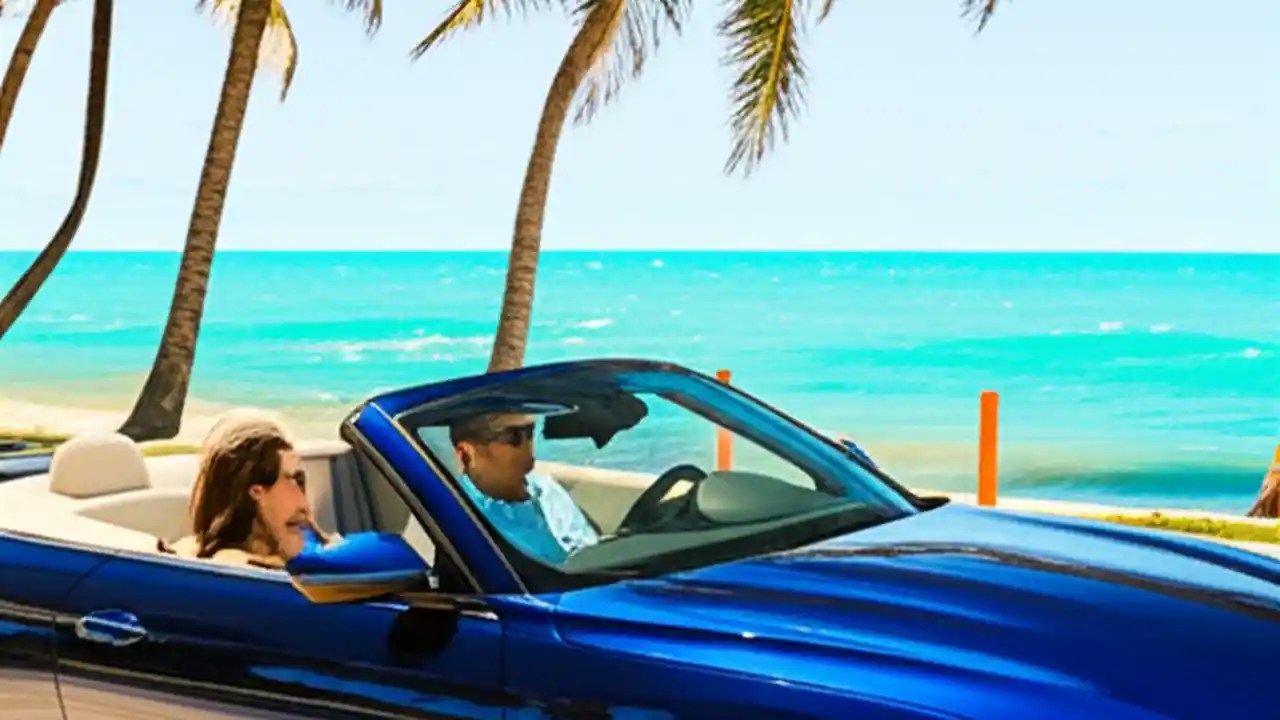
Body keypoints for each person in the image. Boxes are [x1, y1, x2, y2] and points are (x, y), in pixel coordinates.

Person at [163, 415, 333, 568]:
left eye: (301, 481)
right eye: (293, 479)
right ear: (256, 493)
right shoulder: (236, 571)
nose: (303, 501)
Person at [450, 412, 599, 565]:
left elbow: (590, 553)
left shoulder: (546, 490)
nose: (531, 460)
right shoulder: (457, 516)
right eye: (513, 437)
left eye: (530, 433)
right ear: (466, 455)